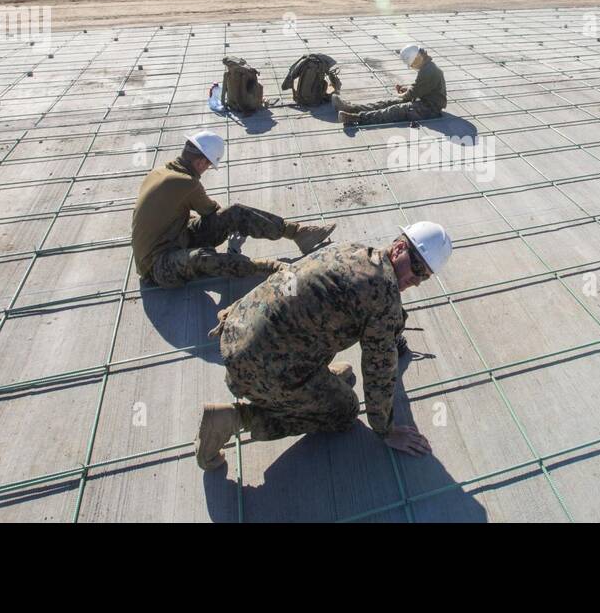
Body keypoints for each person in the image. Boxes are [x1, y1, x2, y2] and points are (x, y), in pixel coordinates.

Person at [194, 221, 454, 470]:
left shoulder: (352, 249)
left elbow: (288, 278)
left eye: (425, 277)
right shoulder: (382, 297)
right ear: (398, 249)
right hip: (262, 370)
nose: (416, 280)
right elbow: (379, 373)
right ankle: (236, 419)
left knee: (322, 332)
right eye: (417, 269)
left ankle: (314, 382)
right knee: (345, 411)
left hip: (237, 333)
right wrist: (387, 430)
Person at [131, 130, 336, 288]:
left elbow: (215, 215)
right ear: (201, 161)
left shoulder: (160, 172)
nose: (206, 170)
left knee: (233, 213)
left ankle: (298, 234)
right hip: (156, 267)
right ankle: (257, 266)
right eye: (208, 165)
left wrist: (229, 221)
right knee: (203, 257)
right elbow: (211, 212)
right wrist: (230, 227)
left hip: (174, 238)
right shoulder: (186, 182)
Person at [333, 43, 446, 126]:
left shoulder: (429, 70)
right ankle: (352, 108)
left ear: (416, 59)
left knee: (395, 109)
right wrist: (406, 90)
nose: (413, 67)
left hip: (430, 109)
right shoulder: (427, 68)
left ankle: (357, 118)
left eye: (412, 65)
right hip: (425, 102)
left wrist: (403, 95)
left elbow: (412, 93)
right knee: (388, 102)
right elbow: (419, 88)